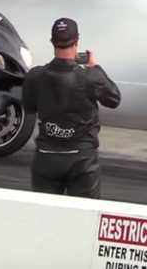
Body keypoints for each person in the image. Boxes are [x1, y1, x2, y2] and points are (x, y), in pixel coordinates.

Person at [22, 18, 121, 198]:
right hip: (81, 159)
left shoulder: (35, 76)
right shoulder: (90, 77)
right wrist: (95, 67)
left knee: (46, 219)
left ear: (52, 41)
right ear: (77, 41)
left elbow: (28, 108)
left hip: (46, 157)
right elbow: (114, 99)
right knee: (83, 220)